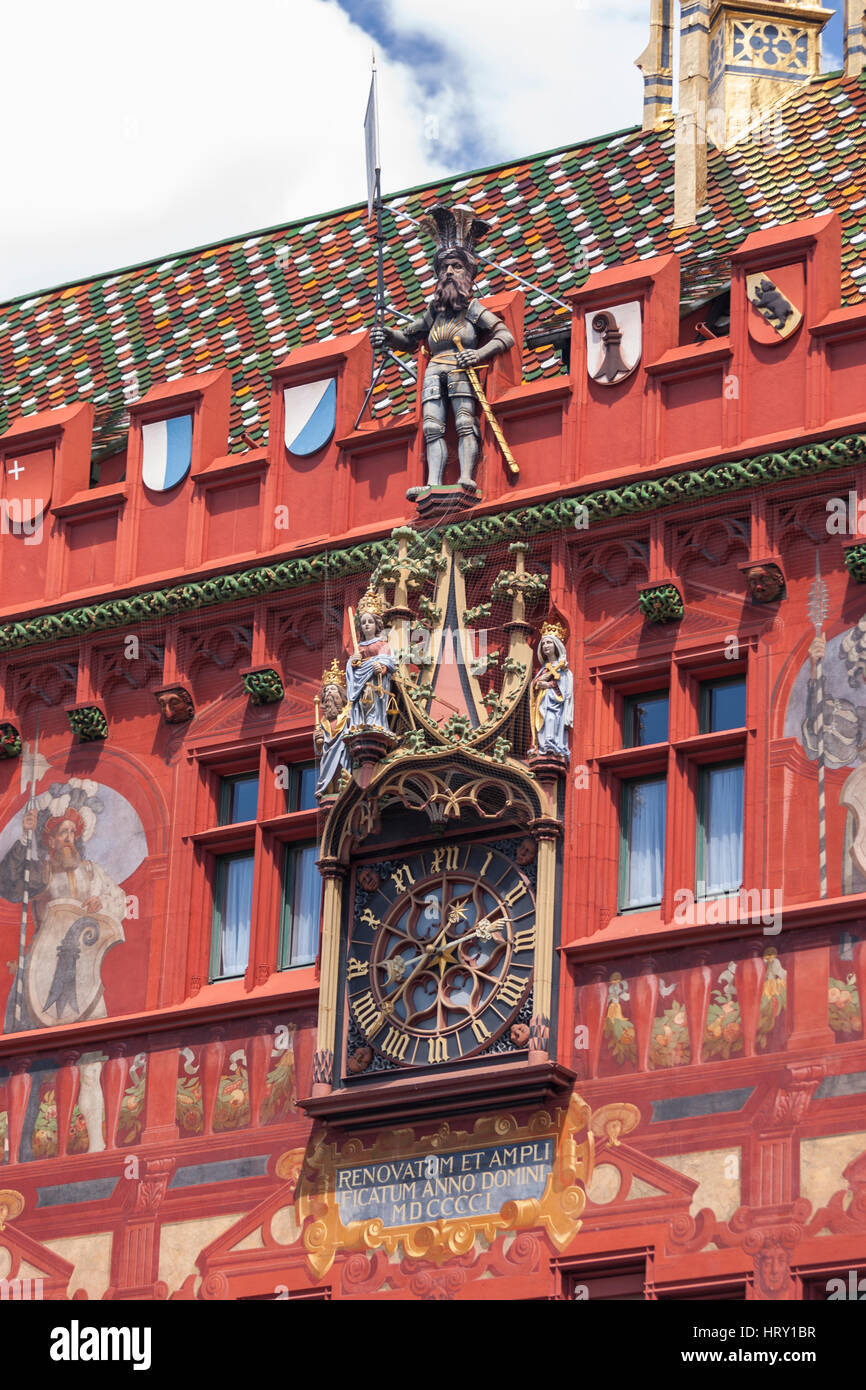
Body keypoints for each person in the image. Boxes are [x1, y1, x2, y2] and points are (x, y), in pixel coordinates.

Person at [369, 205, 514, 499]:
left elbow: (505, 335)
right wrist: (387, 336)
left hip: (461, 367)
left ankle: (464, 478)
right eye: (443, 268)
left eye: (456, 267)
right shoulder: (434, 311)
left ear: (468, 273)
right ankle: (434, 482)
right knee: (432, 427)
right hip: (435, 370)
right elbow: (410, 338)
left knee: (464, 422)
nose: (448, 272)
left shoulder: (473, 309)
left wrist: (479, 354)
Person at [346, 588, 397, 732]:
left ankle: (374, 722)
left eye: (370, 621)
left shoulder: (382, 644)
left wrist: (381, 668)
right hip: (360, 682)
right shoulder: (359, 647)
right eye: (363, 623)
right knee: (362, 703)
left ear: (377, 624)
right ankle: (360, 722)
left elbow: (388, 660)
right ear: (360, 627)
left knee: (373, 701)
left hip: (376, 680)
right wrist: (353, 662)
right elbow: (352, 668)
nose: (367, 624)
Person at [530, 622, 574, 760]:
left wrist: (548, 685)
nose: (545, 646)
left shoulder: (562, 667)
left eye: (549, 642)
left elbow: (564, 688)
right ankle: (542, 746)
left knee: (551, 719)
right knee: (543, 721)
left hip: (555, 702)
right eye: (543, 644)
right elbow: (535, 685)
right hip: (542, 702)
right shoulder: (544, 668)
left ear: (556, 645)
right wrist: (537, 684)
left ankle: (552, 744)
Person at [315, 660, 351, 798]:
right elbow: (319, 750)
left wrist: (350, 720)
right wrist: (318, 741)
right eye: (327, 690)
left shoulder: (348, 712)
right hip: (328, 754)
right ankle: (326, 788)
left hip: (344, 752)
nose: (329, 692)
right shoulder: (323, 721)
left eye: (333, 689)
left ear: (341, 694)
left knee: (343, 771)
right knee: (329, 773)